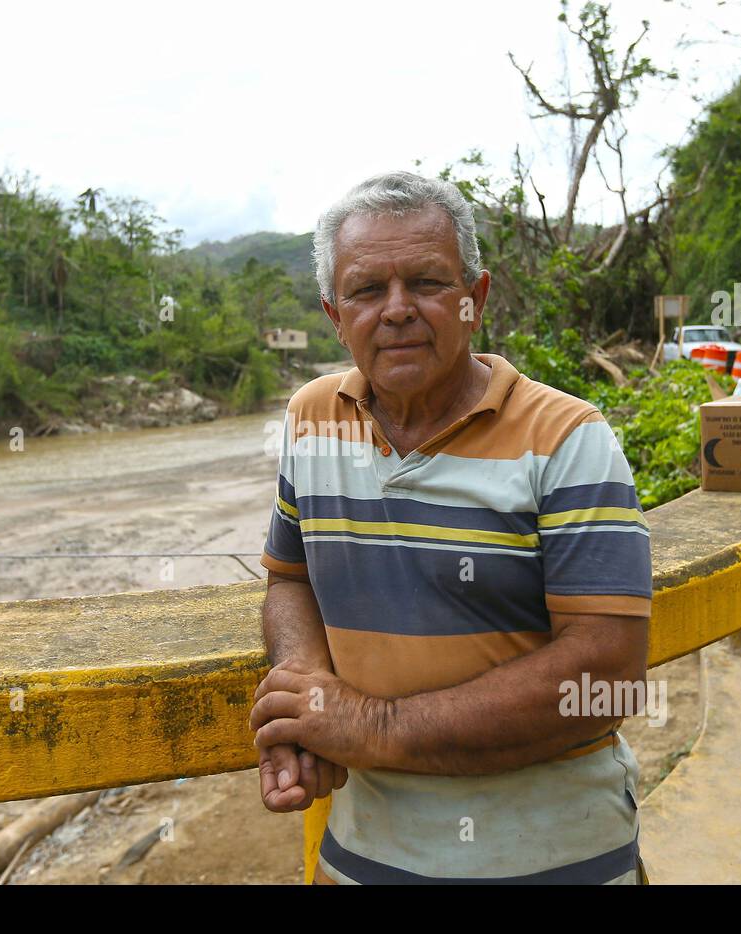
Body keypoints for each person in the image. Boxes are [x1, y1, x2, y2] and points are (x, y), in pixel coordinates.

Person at [251, 172, 652, 884]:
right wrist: (305, 693)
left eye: (428, 283)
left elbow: (608, 668)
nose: (397, 310)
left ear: (476, 299)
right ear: (333, 314)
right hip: (361, 851)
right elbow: (289, 580)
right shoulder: (311, 418)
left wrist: (369, 727)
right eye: (367, 291)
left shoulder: (569, 439)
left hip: (555, 853)